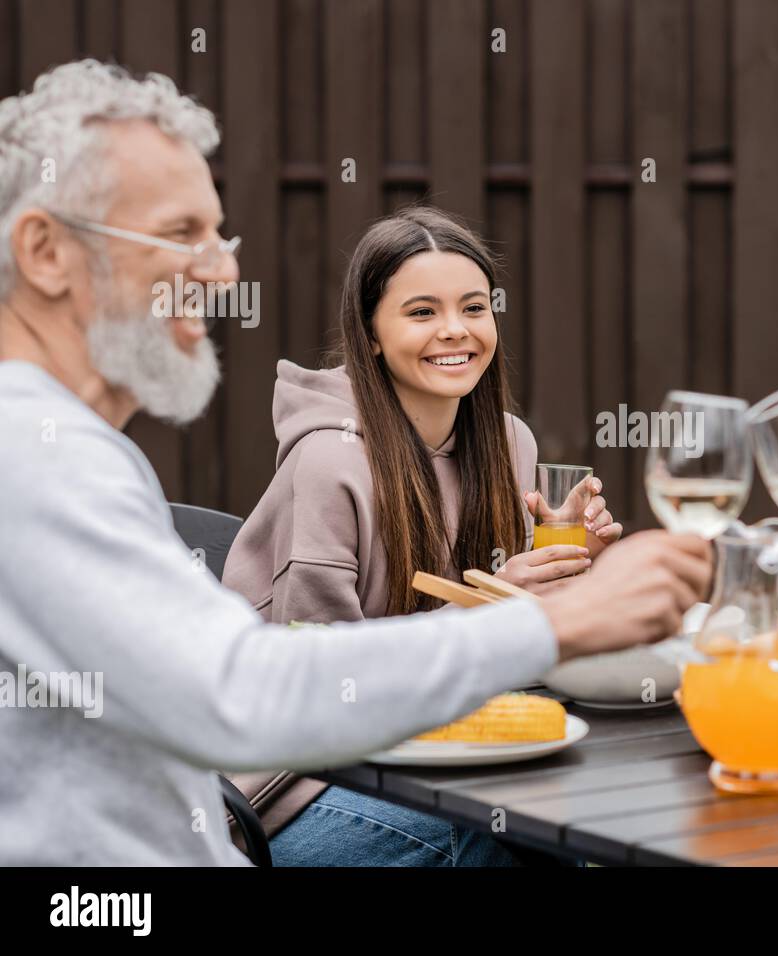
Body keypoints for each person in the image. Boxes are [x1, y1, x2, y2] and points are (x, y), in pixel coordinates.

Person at [0, 59, 711, 865]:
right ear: (46, 253)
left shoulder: (77, 452)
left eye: (220, 235)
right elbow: (244, 691)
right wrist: (548, 620)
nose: (226, 271)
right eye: (180, 234)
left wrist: (564, 586)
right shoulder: (31, 456)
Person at [221, 206, 623, 865]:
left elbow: (508, 666)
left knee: (573, 807)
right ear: (371, 333)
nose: (454, 331)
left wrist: (575, 574)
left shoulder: (508, 443)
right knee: (518, 831)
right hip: (291, 792)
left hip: (445, 762)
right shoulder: (329, 463)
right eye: (421, 312)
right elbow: (316, 686)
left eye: (473, 307)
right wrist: (486, 610)